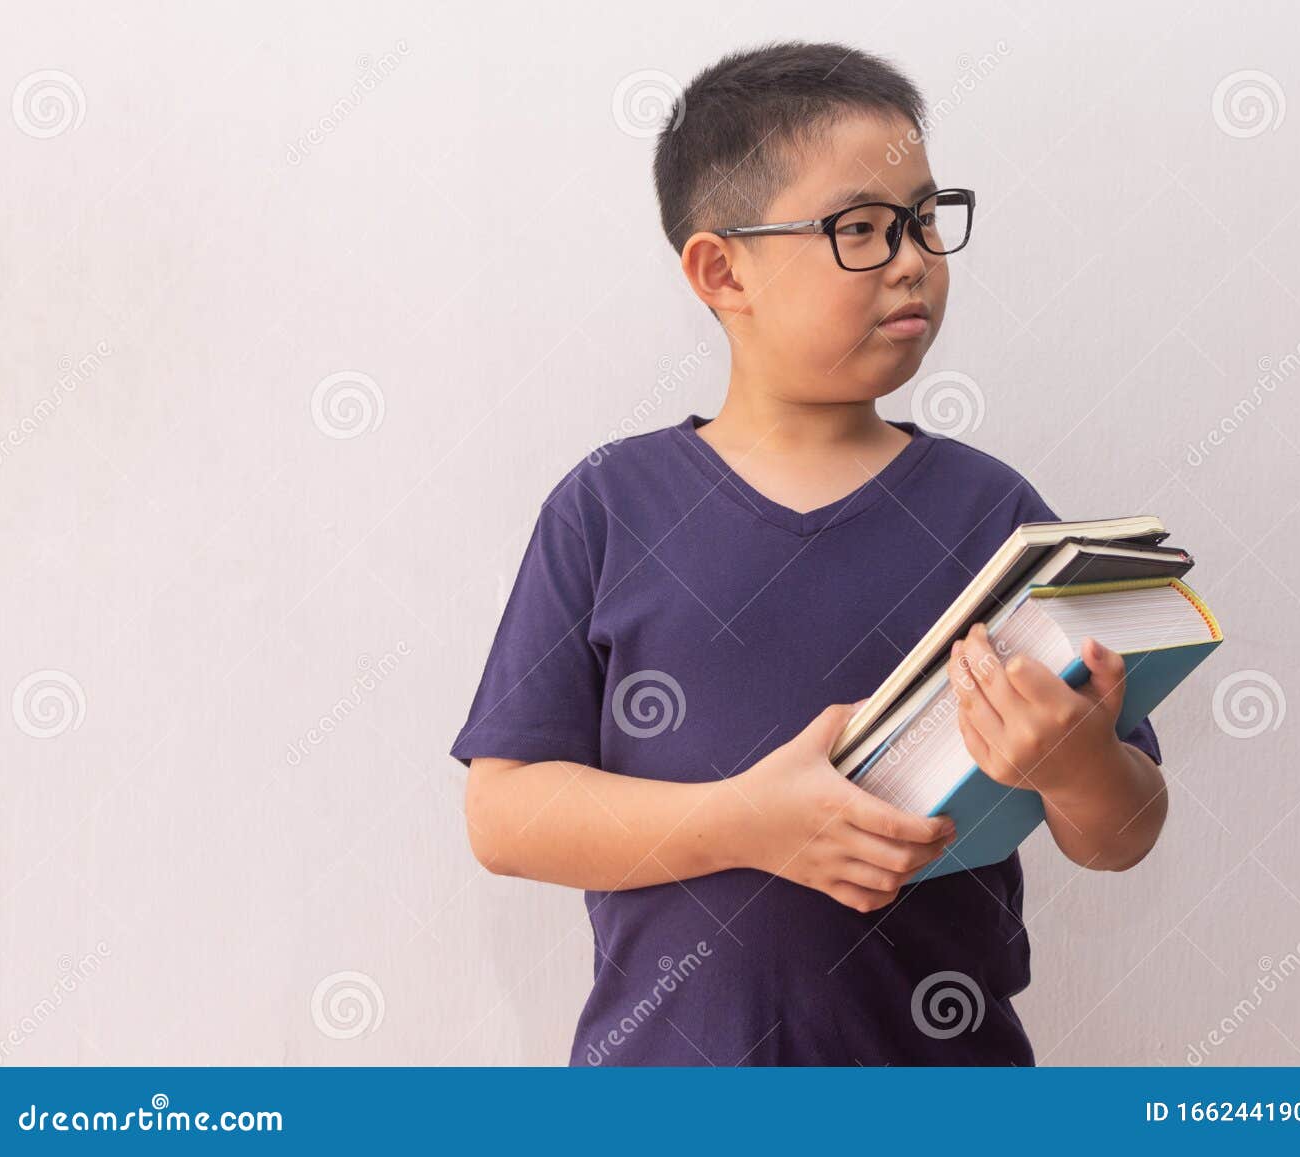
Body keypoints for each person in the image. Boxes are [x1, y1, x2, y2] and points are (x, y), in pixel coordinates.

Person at [450, 40, 1167, 1066]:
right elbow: (506, 814)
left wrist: (1078, 762)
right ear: (719, 268)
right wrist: (745, 821)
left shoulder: (990, 515)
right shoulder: (609, 505)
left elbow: (1123, 830)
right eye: (863, 229)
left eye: (925, 219)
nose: (915, 256)